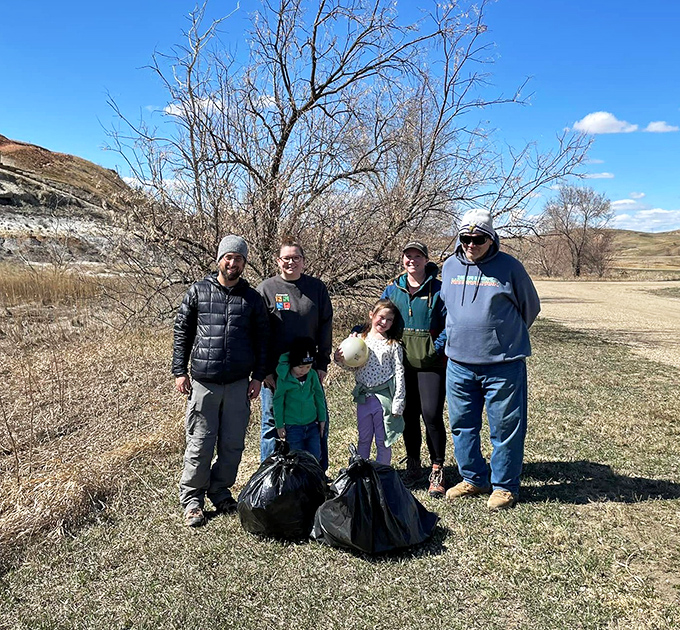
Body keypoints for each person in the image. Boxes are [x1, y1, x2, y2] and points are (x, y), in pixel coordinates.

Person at [440, 208, 540, 511]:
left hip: (503, 365)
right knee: (461, 425)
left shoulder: (510, 267)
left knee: (505, 427)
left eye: (479, 239)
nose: (471, 244)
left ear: (491, 237)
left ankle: (505, 486)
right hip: (458, 364)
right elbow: (446, 307)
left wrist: (502, 338)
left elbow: (530, 308)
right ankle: (473, 478)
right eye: (466, 238)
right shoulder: (449, 267)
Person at [172, 235, 269, 527]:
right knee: (200, 443)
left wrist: (259, 377)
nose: (233, 262)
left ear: (244, 263)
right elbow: (182, 332)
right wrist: (180, 371)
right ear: (219, 260)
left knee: (232, 445)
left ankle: (219, 489)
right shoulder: (199, 291)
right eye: (228, 257)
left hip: (240, 384)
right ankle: (192, 500)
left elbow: (263, 340)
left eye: (238, 258)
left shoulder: (252, 299)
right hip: (204, 382)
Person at [256, 239, 333, 468]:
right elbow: (258, 333)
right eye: (286, 258)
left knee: (317, 419)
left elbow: (325, 326)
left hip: (308, 369)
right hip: (276, 374)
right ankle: (270, 474)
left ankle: (317, 472)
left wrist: (322, 364)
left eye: (296, 258)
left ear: (303, 261)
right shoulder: (266, 289)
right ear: (278, 261)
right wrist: (264, 371)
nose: (291, 262)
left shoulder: (316, 288)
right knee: (272, 422)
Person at [381, 241, 448, 497]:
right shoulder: (393, 289)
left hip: (431, 364)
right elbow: (379, 317)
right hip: (402, 364)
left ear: (425, 260)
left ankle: (437, 467)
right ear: (402, 260)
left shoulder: (439, 290)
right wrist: (360, 333)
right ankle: (413, 464)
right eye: (408, 256)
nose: (412, 261)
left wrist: (435, 348)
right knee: (407, 415)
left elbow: (449, 323)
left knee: (431, 415)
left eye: (417, 256)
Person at [334, 299, 406, 465]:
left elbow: (399, 374)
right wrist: (339, 359)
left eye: (389, 320)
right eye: (381, 317)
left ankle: (382, 476)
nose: (384, 322)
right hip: (364, 399)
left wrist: (398, 402)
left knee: (383, 440)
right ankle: (361, 473)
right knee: (364, 438)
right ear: (371, 315)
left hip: (384, 400)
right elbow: (353, 367)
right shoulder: (359, 341)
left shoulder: (393, 345)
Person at [273, 337, 327, 462]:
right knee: (295, 458)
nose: (304, 371)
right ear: (292, 363)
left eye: (308, 367)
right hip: (293, 427)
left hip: (312, 424)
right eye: (300, 367)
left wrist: (322, 419)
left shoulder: (312, 375)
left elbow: (319, 396)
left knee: (315, 456)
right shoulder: (284, 379)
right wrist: (279, 425)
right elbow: (278, 402)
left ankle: (314, 479)